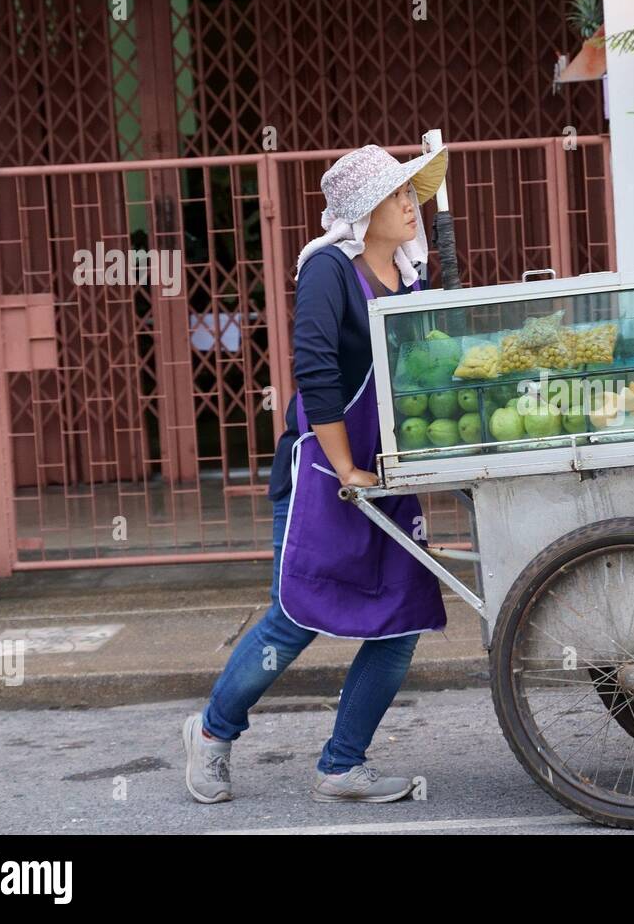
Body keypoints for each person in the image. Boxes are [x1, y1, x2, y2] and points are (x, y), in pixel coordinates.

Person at [181, 144, 450, 805]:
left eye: (411, 193)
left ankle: (342, 765)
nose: (409, 205)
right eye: (396, 196)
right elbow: (318, 374)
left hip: (385, 474)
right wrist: (346, 466)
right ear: (363, 211)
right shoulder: (330, 270)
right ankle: (213, 734)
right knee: (296, 618)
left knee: (401, 619)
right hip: (325, 475)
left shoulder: (411, 281)